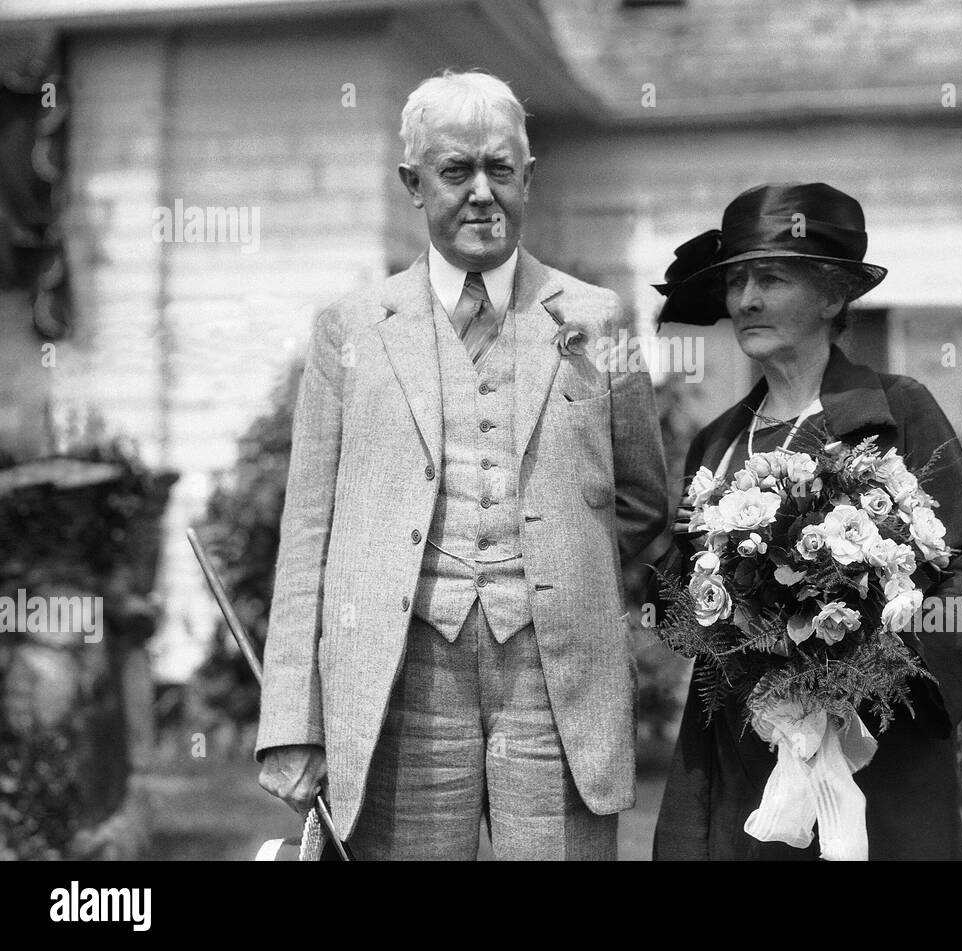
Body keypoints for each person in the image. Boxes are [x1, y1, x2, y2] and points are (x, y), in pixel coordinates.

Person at [255, 70, 668, 860]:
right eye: (456, 171)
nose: (483, 193)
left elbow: (643, 499)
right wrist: (291, 720)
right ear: (413, 184)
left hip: (557, 687)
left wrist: (559, 569)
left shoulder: (596, 319)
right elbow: (308, 538)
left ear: (528, 176)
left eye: (500, 169)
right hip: (401, 684)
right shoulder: (351, 330)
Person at [651, 182, 962, 860]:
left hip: (877, 747)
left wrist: (872, 661)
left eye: (770, 278)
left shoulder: (899, 411)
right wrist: (684, 560)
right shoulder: (717, 442)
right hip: (746, 755)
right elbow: (678, 605)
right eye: (735, 281)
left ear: (831, 295)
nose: (745, 300)